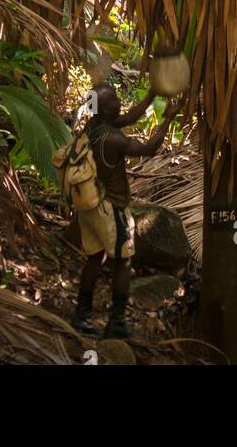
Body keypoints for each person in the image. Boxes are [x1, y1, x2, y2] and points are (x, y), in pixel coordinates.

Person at [73, 84, 179, 337]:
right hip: (112, 209)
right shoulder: (112, 139)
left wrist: (153, 94)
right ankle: (117, 322)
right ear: (107, 109)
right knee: (123, 262)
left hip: (90, 207)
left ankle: (81, 315)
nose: (120, 103)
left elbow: (130, 117)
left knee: (94, 259)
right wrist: (167, 121)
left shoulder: (94, 128)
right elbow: (146, 149)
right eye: (115, 102)